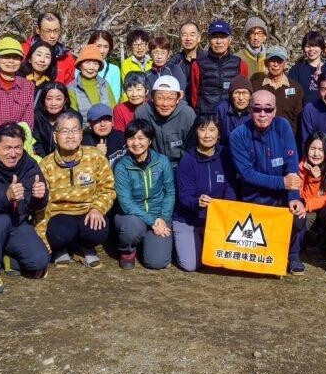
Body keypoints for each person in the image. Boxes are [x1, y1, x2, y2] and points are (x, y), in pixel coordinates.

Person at [229, 89, 307, 274]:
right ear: (250, 110)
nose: (262, 114)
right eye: (257, 109)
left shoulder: (283, 126)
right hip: (253, 198)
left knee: (299, 217)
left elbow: (291, 165)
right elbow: (247, 174)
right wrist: (282, 182)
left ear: (275, 110)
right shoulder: (237, 135)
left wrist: (294, 197)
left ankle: (294, 255)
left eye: (268, 109)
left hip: (281, 197)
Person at [0, 122, 50, 294]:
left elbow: (36, 205)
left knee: (39, 261)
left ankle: (8, 252)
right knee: (1, 220)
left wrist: (40, 196)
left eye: (18, 147)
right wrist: (6, 197)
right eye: (7, 148)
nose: (13, 154)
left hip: (17, 222)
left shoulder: (28, 164)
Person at [37, 111, 115, 267]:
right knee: (60, 233)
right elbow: (42, 205)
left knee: (97, 231)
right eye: (64, 131)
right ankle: (61, 248)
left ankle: (85, 247)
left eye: (74, 131)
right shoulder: (46, 164)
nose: (70, 136)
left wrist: (97, 208)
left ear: (81, 134)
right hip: (60, 215)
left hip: (88, 211)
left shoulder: (95, 156)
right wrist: (43, 241)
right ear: (55, 136)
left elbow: (108, 189)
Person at [173, 114, 237, 272]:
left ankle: (204, 238)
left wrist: (225, 210)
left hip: (217, 220)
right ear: (196, 132)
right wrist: (197, 202)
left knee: (224, 261)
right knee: (191, 265)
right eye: (202, 129)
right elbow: (184, 197)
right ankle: (181, 243)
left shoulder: (226, 155)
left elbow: (230, 187)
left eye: (212, 129)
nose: (207, 135)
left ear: (219, 133)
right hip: (189, 219)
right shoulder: (187, 160)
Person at [112, 119, 176, 270]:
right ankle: (128, 250)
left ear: (150, 140)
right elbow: (126, 203)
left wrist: (163, 218)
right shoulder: (122, 166)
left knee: (157, 262)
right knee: (131, 228)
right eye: (131, 138)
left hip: (158, 214)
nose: (136, 143)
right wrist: (152, 221)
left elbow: (170, 192)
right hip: (132, 216)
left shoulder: (162, 161)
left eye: (141, 138)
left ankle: (147, 244)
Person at [0, 37, 35, 146]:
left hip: (19, 147)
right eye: (6, 57)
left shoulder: (28, 87)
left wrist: (15, 144)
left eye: (15, 58)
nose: (11, 61)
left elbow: (27, 122)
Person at [189, 20, 249, 115]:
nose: (219, 41)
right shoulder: (197, 64)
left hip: (231, 116)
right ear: (209, 39)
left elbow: (244, 93)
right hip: (206, 117)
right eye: (215, 37)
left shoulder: (240, 64)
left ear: (230, 39)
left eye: (223, 37)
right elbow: (194, 95)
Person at [299, 131, 326, 256]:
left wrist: (307, 204)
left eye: (321, 149)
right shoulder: (302, 166)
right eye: (312, 148)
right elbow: (303, 196)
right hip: (312, 206)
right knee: (304, 217)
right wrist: (314, 180)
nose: (316, 153)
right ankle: (312, 242)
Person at [135, 76, 196, 164]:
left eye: (170, 98)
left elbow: (192, 147)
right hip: (153, 163)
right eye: (160, 98)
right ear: (152, 97)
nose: (165, 104)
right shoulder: (142, 112)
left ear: (178, 98)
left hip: (181, 163)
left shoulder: (187, 114)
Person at [251, 46, 305, 135]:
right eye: (272, 61)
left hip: (286, 137)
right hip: (260, 136)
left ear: (285, 64)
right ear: (266, 63)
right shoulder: (256, 86)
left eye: (279, 61)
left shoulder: (296, 88)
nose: (275, 65)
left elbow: (298, 118)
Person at [23, 12, 76, 85]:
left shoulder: (67, 58)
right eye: (48, 31)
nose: (53, 36)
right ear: (38, 30)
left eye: (56, 31)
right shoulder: (24, 50)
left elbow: (69, 88)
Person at [68, 45, 116, 118]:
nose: (91, 67)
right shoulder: (72, 88)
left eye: (95, 64)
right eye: (87, 62)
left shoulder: (105, 85)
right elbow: (73, 117)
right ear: (80, 65)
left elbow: (113, 110)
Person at [289, 31, 326, 104]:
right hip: (301, 113)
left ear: (322, 48)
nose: (311, 49)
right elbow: (289, 92)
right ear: (303, 48)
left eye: (315, 46)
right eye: (308, 46)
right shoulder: (296, 70)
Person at [32, 82, 71, 159]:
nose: (53, 103)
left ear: (65, 100)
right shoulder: (37, 116)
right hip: (44, 160)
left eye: (58, 99)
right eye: (49, 99)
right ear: (43, 100)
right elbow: (38, 144)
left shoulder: (72, 118)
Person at [88, 30, 122, 108]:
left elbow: (115, 97)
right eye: (98, 46)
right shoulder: (80, 68)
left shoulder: (114, 70)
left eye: (106, 46)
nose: (102, 51)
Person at [216, 76, 253, 143]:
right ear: (231, 95)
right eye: (237, 93)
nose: (241, 98)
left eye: (245, 93)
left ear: (250, 96)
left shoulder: (255, 111)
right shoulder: (222, 109)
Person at [166, 22, 200, 91]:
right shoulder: (174, 62)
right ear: (180, 38)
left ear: (199, 38)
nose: (188, 38)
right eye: (184, 35)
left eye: (192, 35)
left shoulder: (207, 60)